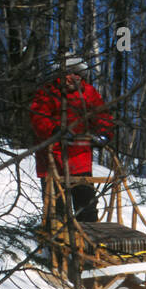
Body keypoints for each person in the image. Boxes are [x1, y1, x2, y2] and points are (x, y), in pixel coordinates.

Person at [29, 54, 114, 222]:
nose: (72, 77)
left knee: (87, 207)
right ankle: (55, 241)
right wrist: (55, 131)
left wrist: (104, 133)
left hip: (80, 158)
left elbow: (101, 115)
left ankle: (90, 241)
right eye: (68, 73)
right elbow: (38, 118)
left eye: (76, 73)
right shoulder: (48, 92)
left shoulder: (88, 92)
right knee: (55, 209)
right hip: (52, 159)